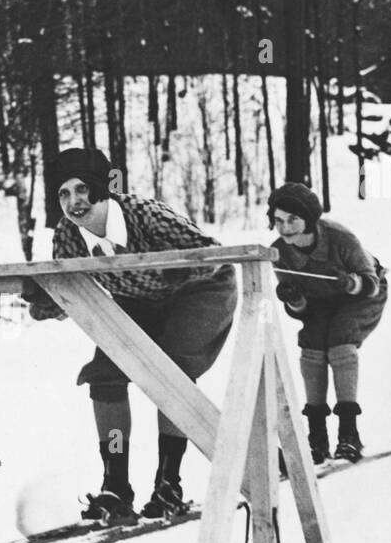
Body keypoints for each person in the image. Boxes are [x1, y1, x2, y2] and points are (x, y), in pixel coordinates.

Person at [25, 148, 237, 523]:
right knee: (105, 376)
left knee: (169, 372)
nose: (74, 202)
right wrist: (46, 302)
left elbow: (214, 255)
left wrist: (179, 269)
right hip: (138, 299)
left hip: (200, 291)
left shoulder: (146, 215)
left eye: (81, 190)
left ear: (100, 190)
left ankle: (168, 483)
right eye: (64, 194)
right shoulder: (67, 236)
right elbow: (67, 291)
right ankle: (116, 484)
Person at [268, 183, 387, 463]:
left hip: (360, 298)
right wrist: (294, 299)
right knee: (312, 341)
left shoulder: (340, 237)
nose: (285, 228)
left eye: (293, 220)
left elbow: (370, 283)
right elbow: (302, 312)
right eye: (278, 221)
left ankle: (349, 434)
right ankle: (317, 438)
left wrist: (349, 282)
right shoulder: (280, 253)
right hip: (321, 303)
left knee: (340, 338)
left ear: (308, 218)